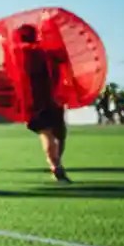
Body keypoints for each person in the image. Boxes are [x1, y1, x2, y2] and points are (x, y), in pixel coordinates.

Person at [16, 24, 71, 183]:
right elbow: (62, 58)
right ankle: (57, 165)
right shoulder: (43, 52)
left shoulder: (18, 53)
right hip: (52, 99)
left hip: (33, 102)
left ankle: (56, 165)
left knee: (47, 134)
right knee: (57, 135)